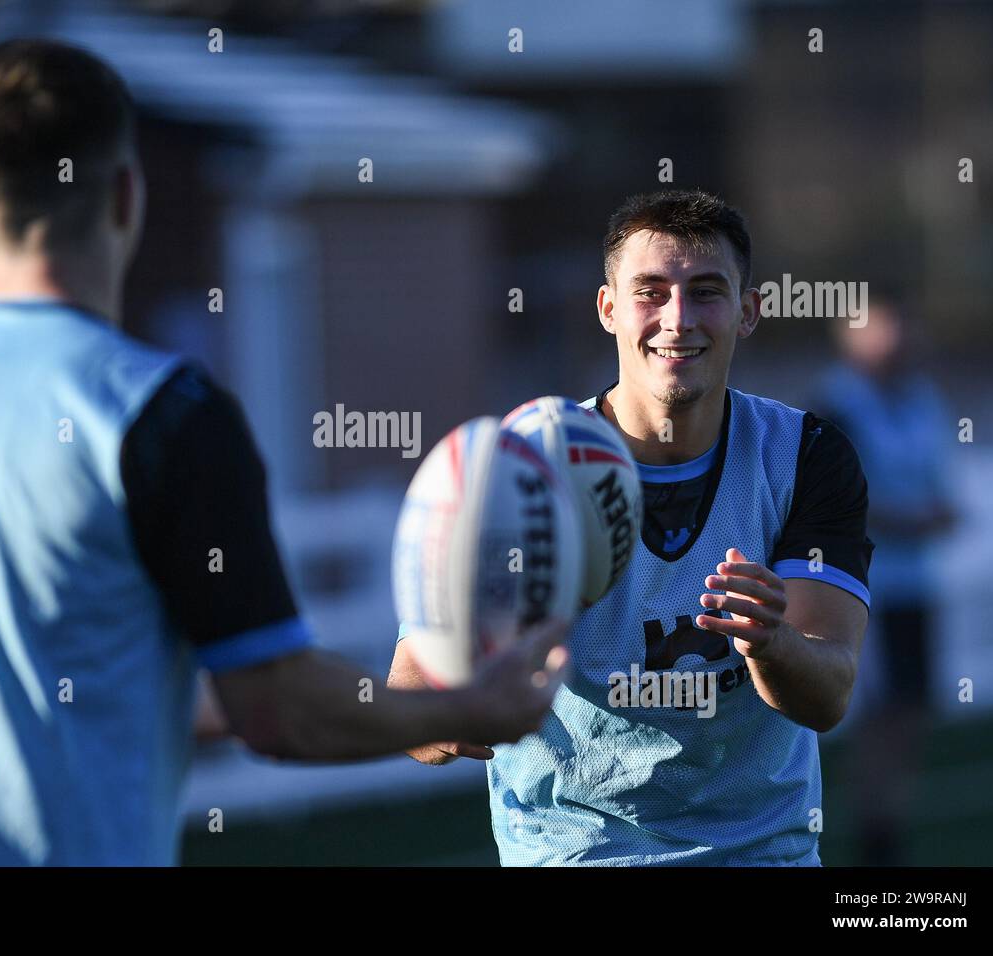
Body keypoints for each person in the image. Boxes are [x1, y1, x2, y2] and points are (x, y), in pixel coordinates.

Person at [0, 39, 566, 866]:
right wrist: (461, 712)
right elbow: (274, 711)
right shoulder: (161, 414)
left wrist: (393, 702)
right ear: (128, 195)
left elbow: (76, 679)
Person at [389, 190, 875, 866]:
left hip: (758, 855)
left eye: (706, 292)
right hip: (572, 854)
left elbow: (828, 695)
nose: (678, 319)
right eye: (651, 292)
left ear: (749, 310)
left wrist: (772, 642)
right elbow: (410, 692)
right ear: (608, 308)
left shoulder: (804, 456)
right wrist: (446, 716)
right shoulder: (525, 463)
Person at [813, 297, 957, 865]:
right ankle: (867, 838)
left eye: (904, 325)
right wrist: (902, 518)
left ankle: (889, 831)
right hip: (861, 593)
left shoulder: (924, 397)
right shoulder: (835, 406)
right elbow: (829, 504)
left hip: (918, 587)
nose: (897, 339)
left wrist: (937, 515)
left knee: (910, 712)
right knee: (871, 716)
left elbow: (942, 489)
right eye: (882, 328)